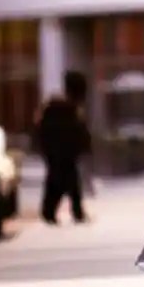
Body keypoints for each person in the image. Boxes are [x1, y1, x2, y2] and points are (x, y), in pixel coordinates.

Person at [36, 70, 92, 225]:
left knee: (59, 181)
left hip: (56, 153)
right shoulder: (70, 109)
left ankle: (54, 212)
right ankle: (60, 212)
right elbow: (79, 132)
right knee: (64, 181)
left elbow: (41, 130)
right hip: (64, 153)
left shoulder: (52, 106)